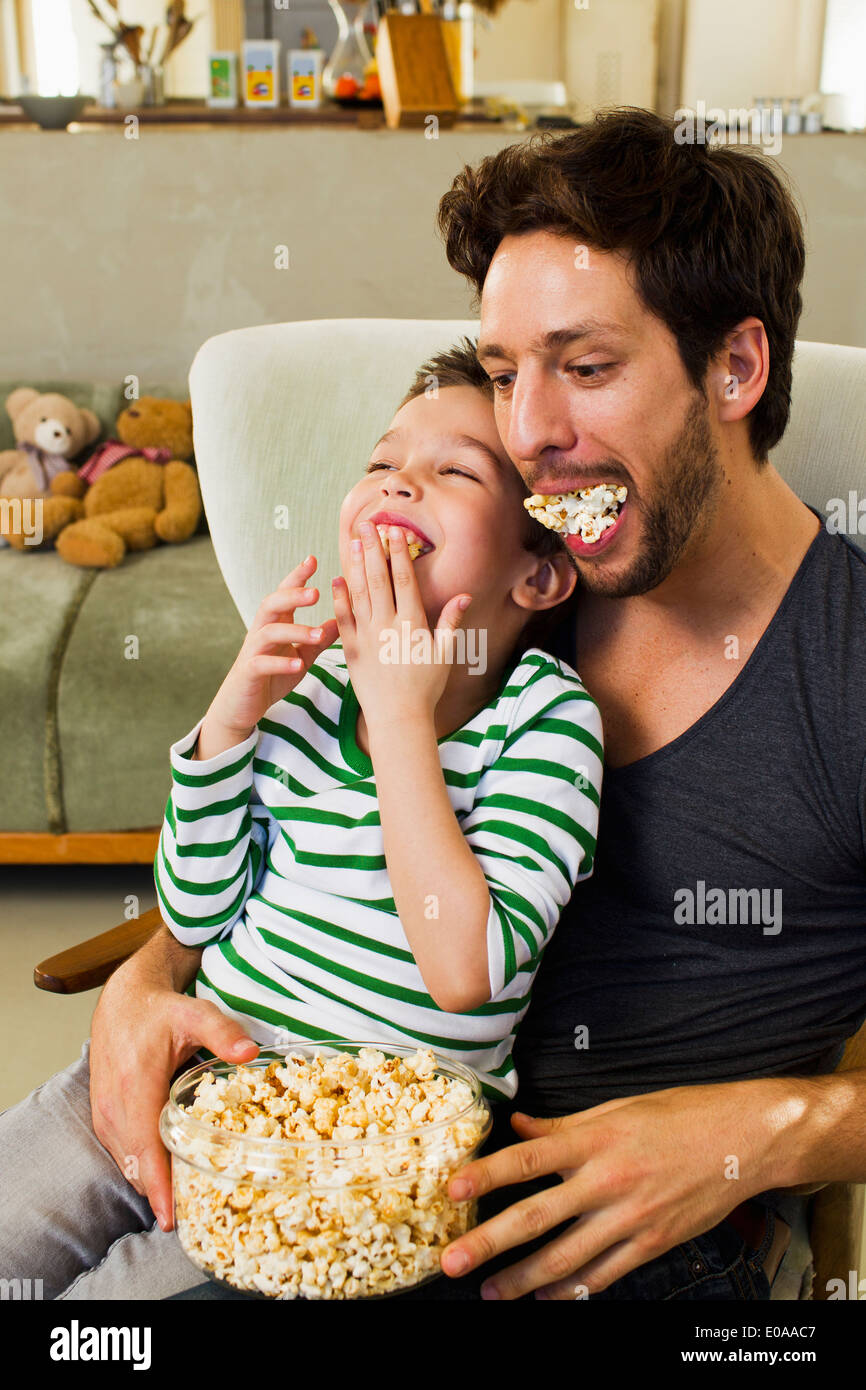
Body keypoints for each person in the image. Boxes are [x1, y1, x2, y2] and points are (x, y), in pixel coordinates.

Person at [0, 342, 602, 1300]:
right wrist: (229, 725)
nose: (398, 481)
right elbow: (195, 914)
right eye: (380, 463)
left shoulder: (546, 721)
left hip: (335, 1178)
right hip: (184, 1063)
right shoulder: (316, 689)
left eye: (452, 471)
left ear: (538, 577)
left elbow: (468, 979)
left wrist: (403, 717)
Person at [422, 106, 866, 1301]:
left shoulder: (848, 663)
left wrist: (768, 1134)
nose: (527, 435)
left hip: (636, 1267)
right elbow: (316, 777)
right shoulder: (508, 581)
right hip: (350, 1190)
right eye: (505, 375)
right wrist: (159, 972)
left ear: (733, 366)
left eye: (585, 366)